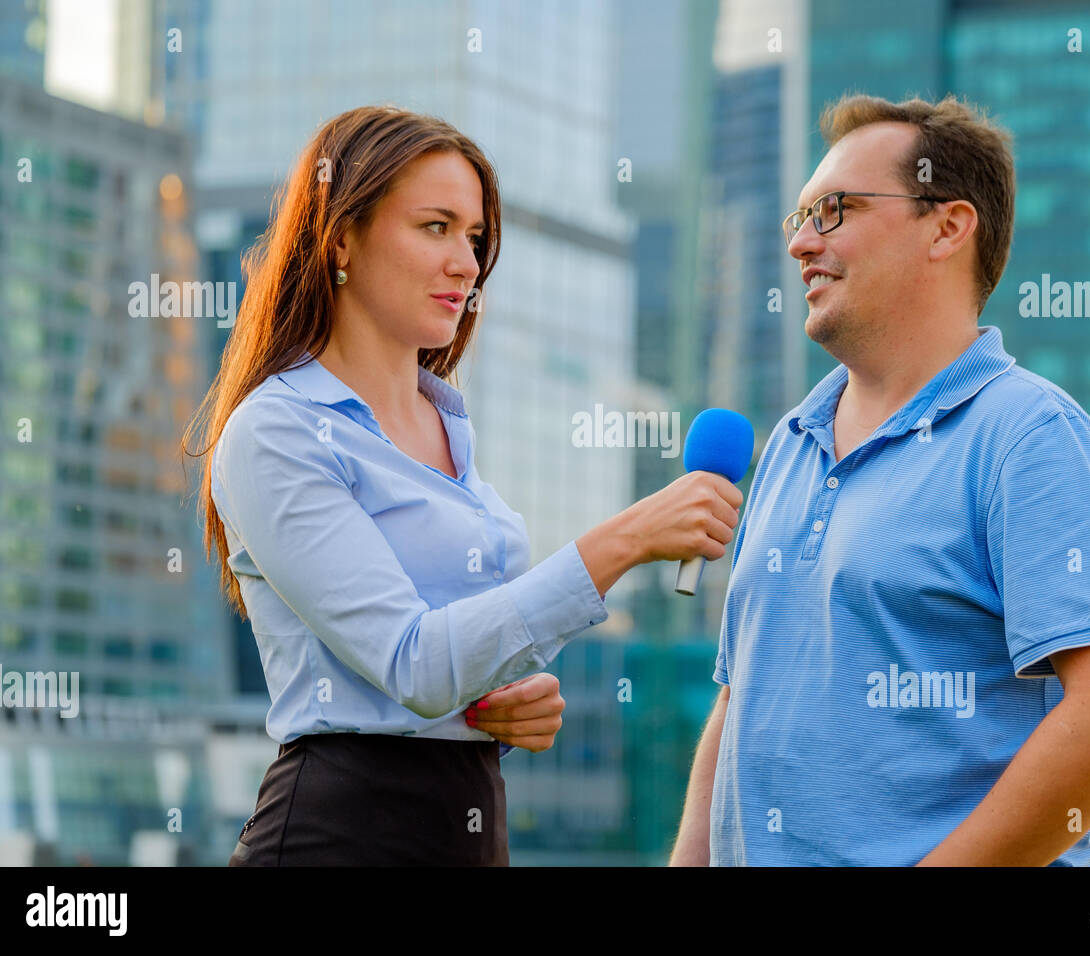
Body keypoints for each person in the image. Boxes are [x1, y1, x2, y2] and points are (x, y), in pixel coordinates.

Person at [182, 106, 743, 866]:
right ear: (341, 237)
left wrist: (510, 706)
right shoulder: (276, 431)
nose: (466, 263)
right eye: (435, 227)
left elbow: (459, 663)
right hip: (339, 837)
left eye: (475, 238)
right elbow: (415, 665)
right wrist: (628, 539)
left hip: (470, 826)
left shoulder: (449, 425)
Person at [669, 93, 1090, 867]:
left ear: (948, 226)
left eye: (834, 210)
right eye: (798, 218)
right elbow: (741, 701)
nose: (802, 242)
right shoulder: (789, 448)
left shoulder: (1030, 437)